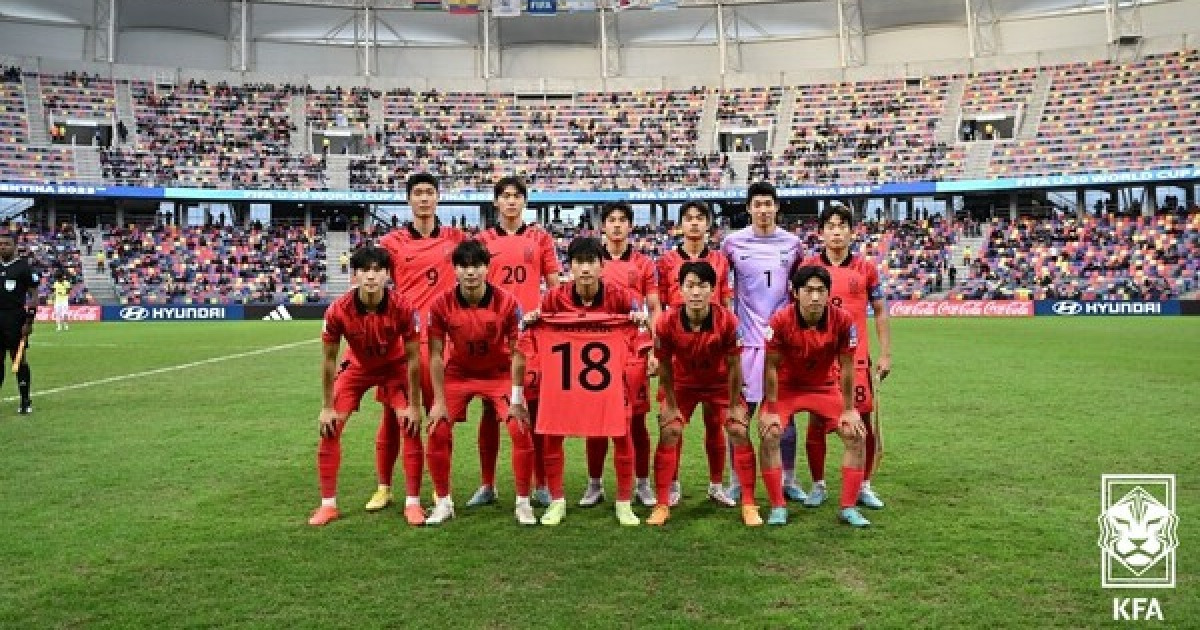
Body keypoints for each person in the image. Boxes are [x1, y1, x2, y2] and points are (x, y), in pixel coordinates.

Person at [513, 237, 647, 526]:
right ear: (569, 266)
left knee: (621, 432)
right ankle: (557, 501)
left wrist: (639, 320)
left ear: (602, 266)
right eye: (579, 262)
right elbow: (533, 332)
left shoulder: (620, 297)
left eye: (591, 262)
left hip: (609, 379)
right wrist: (532, 320)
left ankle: (624, 502)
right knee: (552, 433)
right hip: (563, 378)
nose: (585, 269)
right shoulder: (553, 298)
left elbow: (640, 329)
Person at [370, 173, 466, 515]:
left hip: (442, 343)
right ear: (408, 199)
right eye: (418, 193)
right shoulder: (391, 243)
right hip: (404, 343)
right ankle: (384, 487)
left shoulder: (456, 239)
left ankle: (441, 490)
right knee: (393, 416)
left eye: (429, 192)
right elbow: (373, 286)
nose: (424, 198)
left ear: (438, 197)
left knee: (440, 416)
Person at [308, 246, 422, 527]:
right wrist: (326, 407)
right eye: (364, 270)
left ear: (387, 275)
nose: (371, 276)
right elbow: (329, 360)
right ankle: (328, 505)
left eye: (377, 270)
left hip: (393, 367)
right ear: (354, 275)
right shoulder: (338, 310)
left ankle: (413, 503)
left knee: (409, 424)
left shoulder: (404, 307)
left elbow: (413, 359)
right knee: (330, 427)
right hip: (357, 366)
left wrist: (415, 405)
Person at [424, 240, 534, 526]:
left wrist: (517, 398)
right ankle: (443, 503)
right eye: (463, 266)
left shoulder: (508, 303)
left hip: (498, 373)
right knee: (437, 428)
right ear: (454, 270)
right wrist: (438, 401)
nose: (470, 272)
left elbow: (518, 352)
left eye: (476, 266)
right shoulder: (440, 304)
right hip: (459, 373)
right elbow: (435, 354)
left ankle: (523, 503)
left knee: (519, 427)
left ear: (487, 268)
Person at [793, 203, 892, 511]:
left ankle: (863, 484)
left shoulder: (866, 268)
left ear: (852, 231)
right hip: (819, 360)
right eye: (830, 226)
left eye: (842, 226)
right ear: (821, 232)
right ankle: (818, 484)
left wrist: (885, 353)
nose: (836, 232)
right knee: (816, 422)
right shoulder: (809, 266)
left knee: (863, 422)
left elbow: (880, 311)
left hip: (856, 360)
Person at [646, 261, 760, 527]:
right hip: (683, 383)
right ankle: (662, 504)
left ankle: (748, 503)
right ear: (681, 289)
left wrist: (735, 404)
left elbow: (734, 366)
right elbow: (664, 365)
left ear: (712, 289)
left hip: (719, 384)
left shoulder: (728, 321)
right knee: (670, 430)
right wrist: (670, 404)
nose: (696, 292)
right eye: (690, 286)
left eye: (702, 286)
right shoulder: (666, 322)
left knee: (738, 430)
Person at [471, 177, 561, 509]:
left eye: (516, 196)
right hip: (492, 335)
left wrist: (547, 318)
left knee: (532, 409)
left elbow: (554, 286)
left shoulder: (541, 238)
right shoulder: (482, 240)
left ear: (525, 201)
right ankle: (487, 484)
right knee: (488, 408)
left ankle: (540, 484)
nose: (511, 201)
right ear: (496, 202)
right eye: (505, 196)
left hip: (530, 335)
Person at [758, 265, 870, 527]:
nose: (815, 297)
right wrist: (771, 410)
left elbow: (847, 366)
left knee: (856, 434)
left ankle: (848, 508)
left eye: (821, 290)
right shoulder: (780, 320)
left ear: (829, 293)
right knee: (770, 433)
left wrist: (849, 409)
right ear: (796, 293)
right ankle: (777, 506)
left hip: (824, 387)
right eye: (808, 290)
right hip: (787, 387)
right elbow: (770, 366)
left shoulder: (843, 320)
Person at [720, 182, 804, 502]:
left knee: (785, 417)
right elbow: (720, 286)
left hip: (781, 344)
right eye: (758, 204)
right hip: (746, 344)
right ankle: (737, 480)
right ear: (749, 208)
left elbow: (800, 287)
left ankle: (789, 478)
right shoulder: (732, 244)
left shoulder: (793, 244)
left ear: (777, 207)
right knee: (740, 415)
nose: (764, 210)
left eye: (769, 203)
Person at [653, 200, 736, 508]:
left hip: (713, 354)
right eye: (688, 218)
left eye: (700, 218)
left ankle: (716, 485)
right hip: (679, 353)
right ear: (680, 225)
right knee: (673, 423)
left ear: (708, 224)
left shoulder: (720, 260)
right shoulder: (666, 261)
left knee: (715, 424)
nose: (694, 223)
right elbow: (660, 306)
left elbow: (725, 303)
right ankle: (672, 485)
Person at [581, 202, 662, 509]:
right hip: (597, 354)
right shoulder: (591, 262)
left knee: (637, 421)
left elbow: (654, 308)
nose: (616, 225)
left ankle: (642, 483)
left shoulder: (643, 264)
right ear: (603, 226)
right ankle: (594, 484)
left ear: (630, 226)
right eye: (611, 220)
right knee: (596, 421)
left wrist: (654, 348)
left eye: (622, 220)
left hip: (633, 352)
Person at [0, 233, 37, 415]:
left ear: (14, 246)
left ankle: (25, 400)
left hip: (15, 319)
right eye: (0, 244)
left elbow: (34, 295)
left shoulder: (23, 267)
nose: (2, 247)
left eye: (6, 244)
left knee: (19, 360)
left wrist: (29, 321)